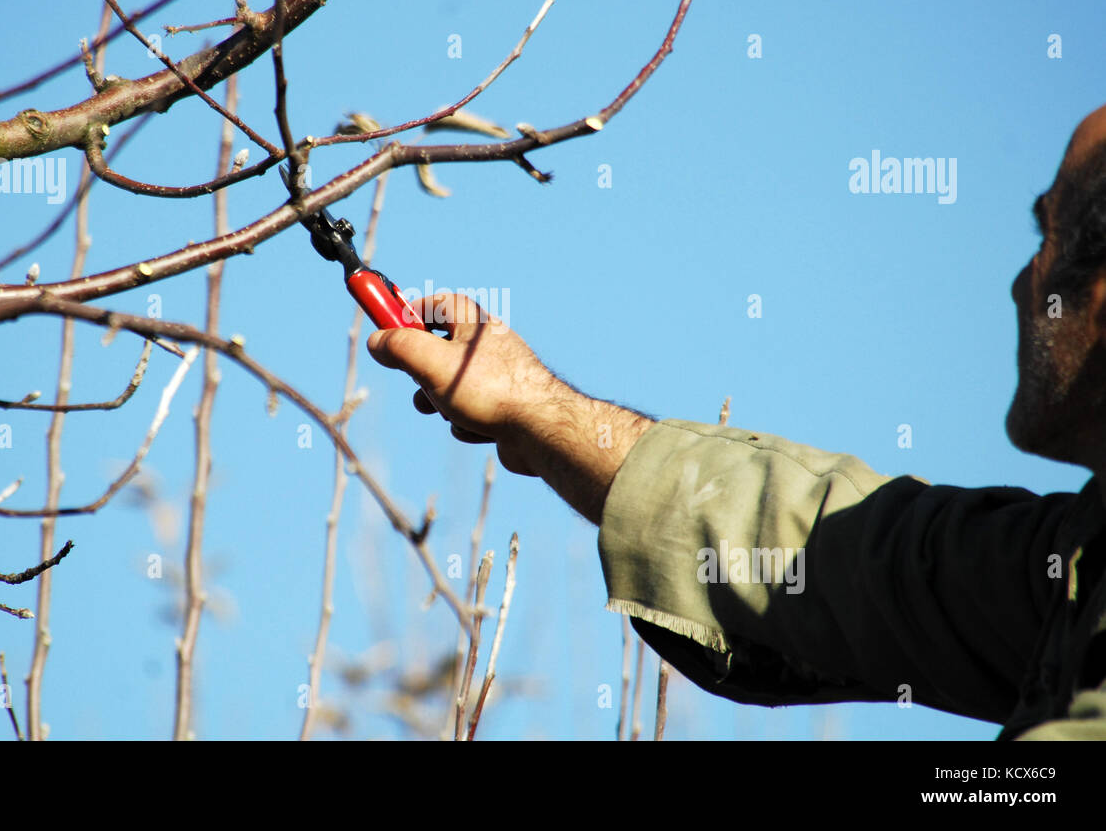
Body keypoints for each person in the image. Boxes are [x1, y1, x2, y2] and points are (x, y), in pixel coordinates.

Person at [365, 104, 1106, 740]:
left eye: (1047, 238)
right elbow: (856, 561)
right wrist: (532, 406)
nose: (1022, 283)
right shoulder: (1073, 569)